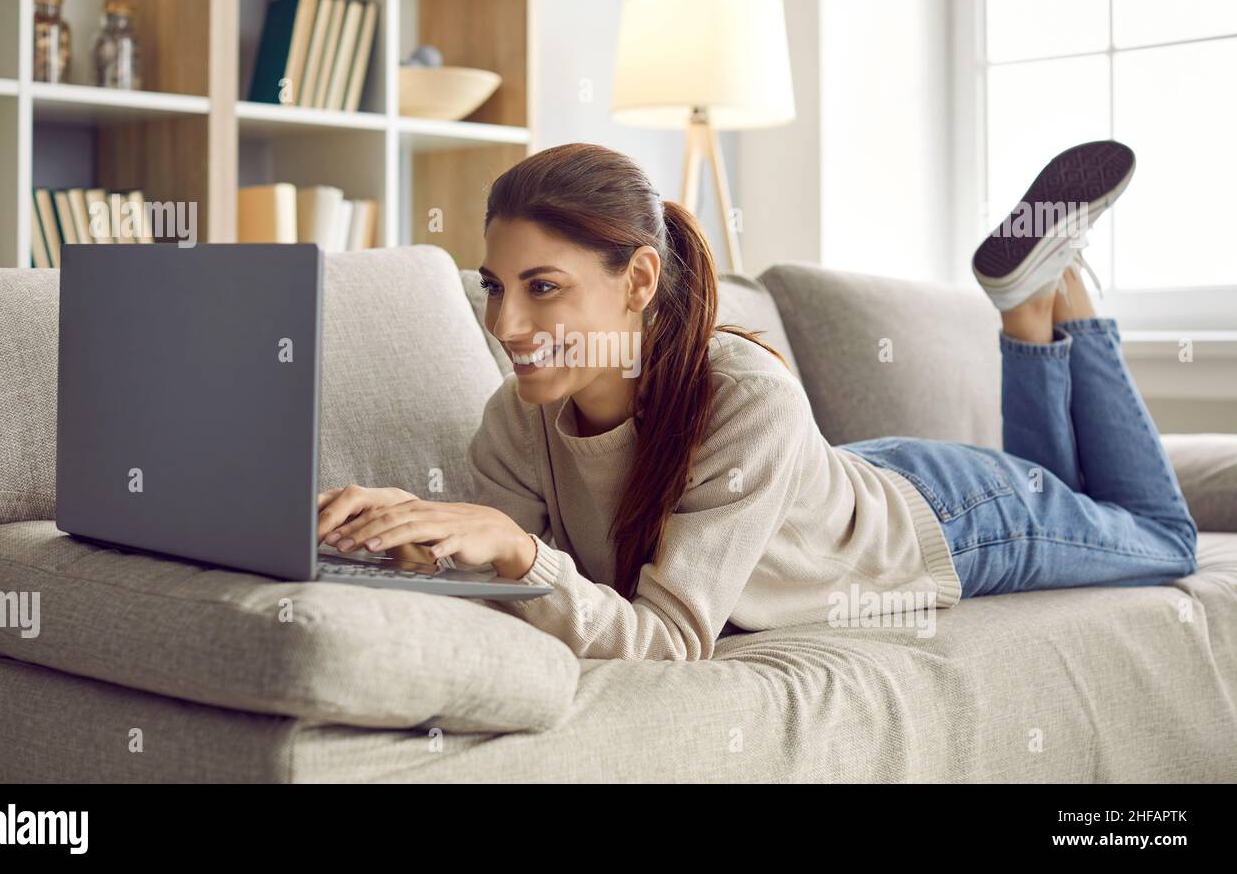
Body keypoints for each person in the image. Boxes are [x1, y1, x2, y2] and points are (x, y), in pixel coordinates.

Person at [315, 140, 1198, 662]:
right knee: (1061, 481)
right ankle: (1025, 310)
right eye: (494, 286)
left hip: (953, 518)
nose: (504, 323)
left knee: (1159, 534)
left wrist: (515, 549)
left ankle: (1066, 300)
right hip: (836, 486)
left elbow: (664, 641)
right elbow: (517, 592)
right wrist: (417, 535)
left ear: (640, 280)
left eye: (542, 287)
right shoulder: (518, 415)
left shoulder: (742, 395)